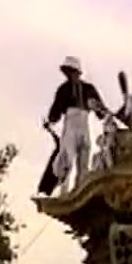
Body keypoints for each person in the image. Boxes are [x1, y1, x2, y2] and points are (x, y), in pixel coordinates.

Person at [45, 56, 106, 195]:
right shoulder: (63, 90)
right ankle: (64, 191)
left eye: (72, 71)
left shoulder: (89, 89)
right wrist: (50, 121)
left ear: (78, 72)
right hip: (70, 125)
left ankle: (81, 190)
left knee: (85, 157)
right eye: (67, 72)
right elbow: (56, 111)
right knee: (67, 158)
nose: (69, 75)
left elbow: (100, 111)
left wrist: (103, 112)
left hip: (84, 124)